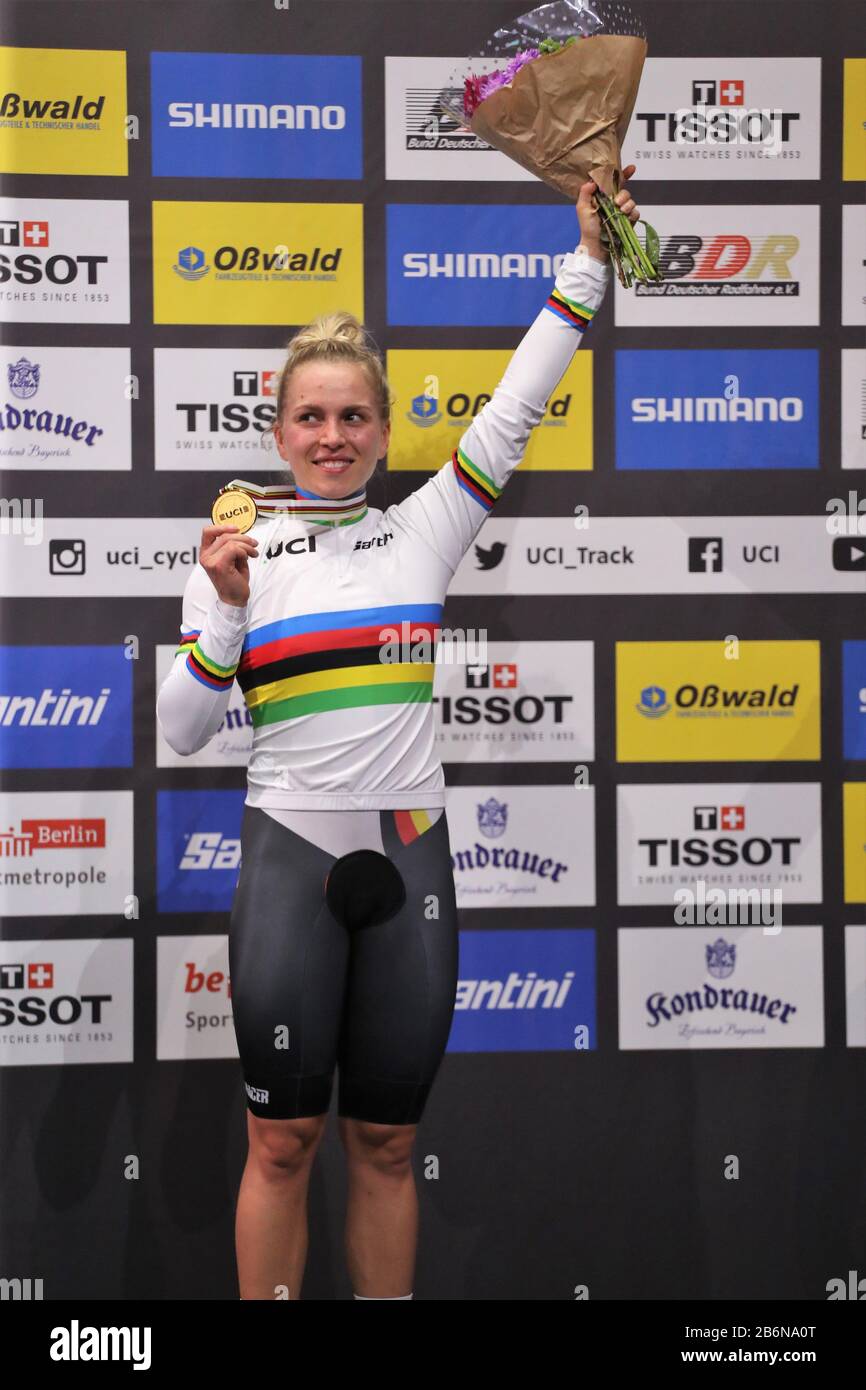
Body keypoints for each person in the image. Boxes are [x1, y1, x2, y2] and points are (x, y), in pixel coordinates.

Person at [156, 168, 641, 1301]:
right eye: (310, 416)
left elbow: (519, 403)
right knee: (280, 1145)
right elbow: (181, 732)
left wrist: (586, 263)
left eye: (353, 415)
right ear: (277, 431)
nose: (332, 436)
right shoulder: (232, 557)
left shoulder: (424, 530)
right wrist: (223, 610)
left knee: (384, 1145)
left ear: (382, 430)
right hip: (290, 861)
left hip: (410, 852)